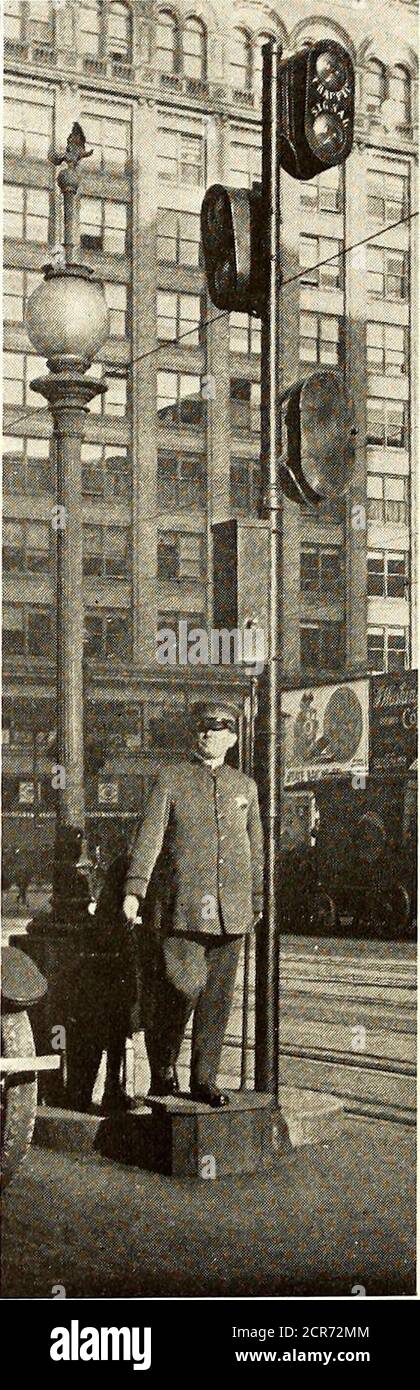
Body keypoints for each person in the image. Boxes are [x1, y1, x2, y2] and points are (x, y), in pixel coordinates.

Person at [123, 699, 264, 1107]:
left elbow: (256, 849)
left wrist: (256, 898)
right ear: (194, 734)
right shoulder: (171, 779)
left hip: (232, 912)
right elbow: (148, 840)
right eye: (203, 728)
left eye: (219, 729)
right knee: (180, 989)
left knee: (217, 1001)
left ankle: (204, 1078)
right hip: (182, 909)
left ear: (233, 738)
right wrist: (135, 891)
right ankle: (164, 1068)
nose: (209, 735)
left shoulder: (245, 788)